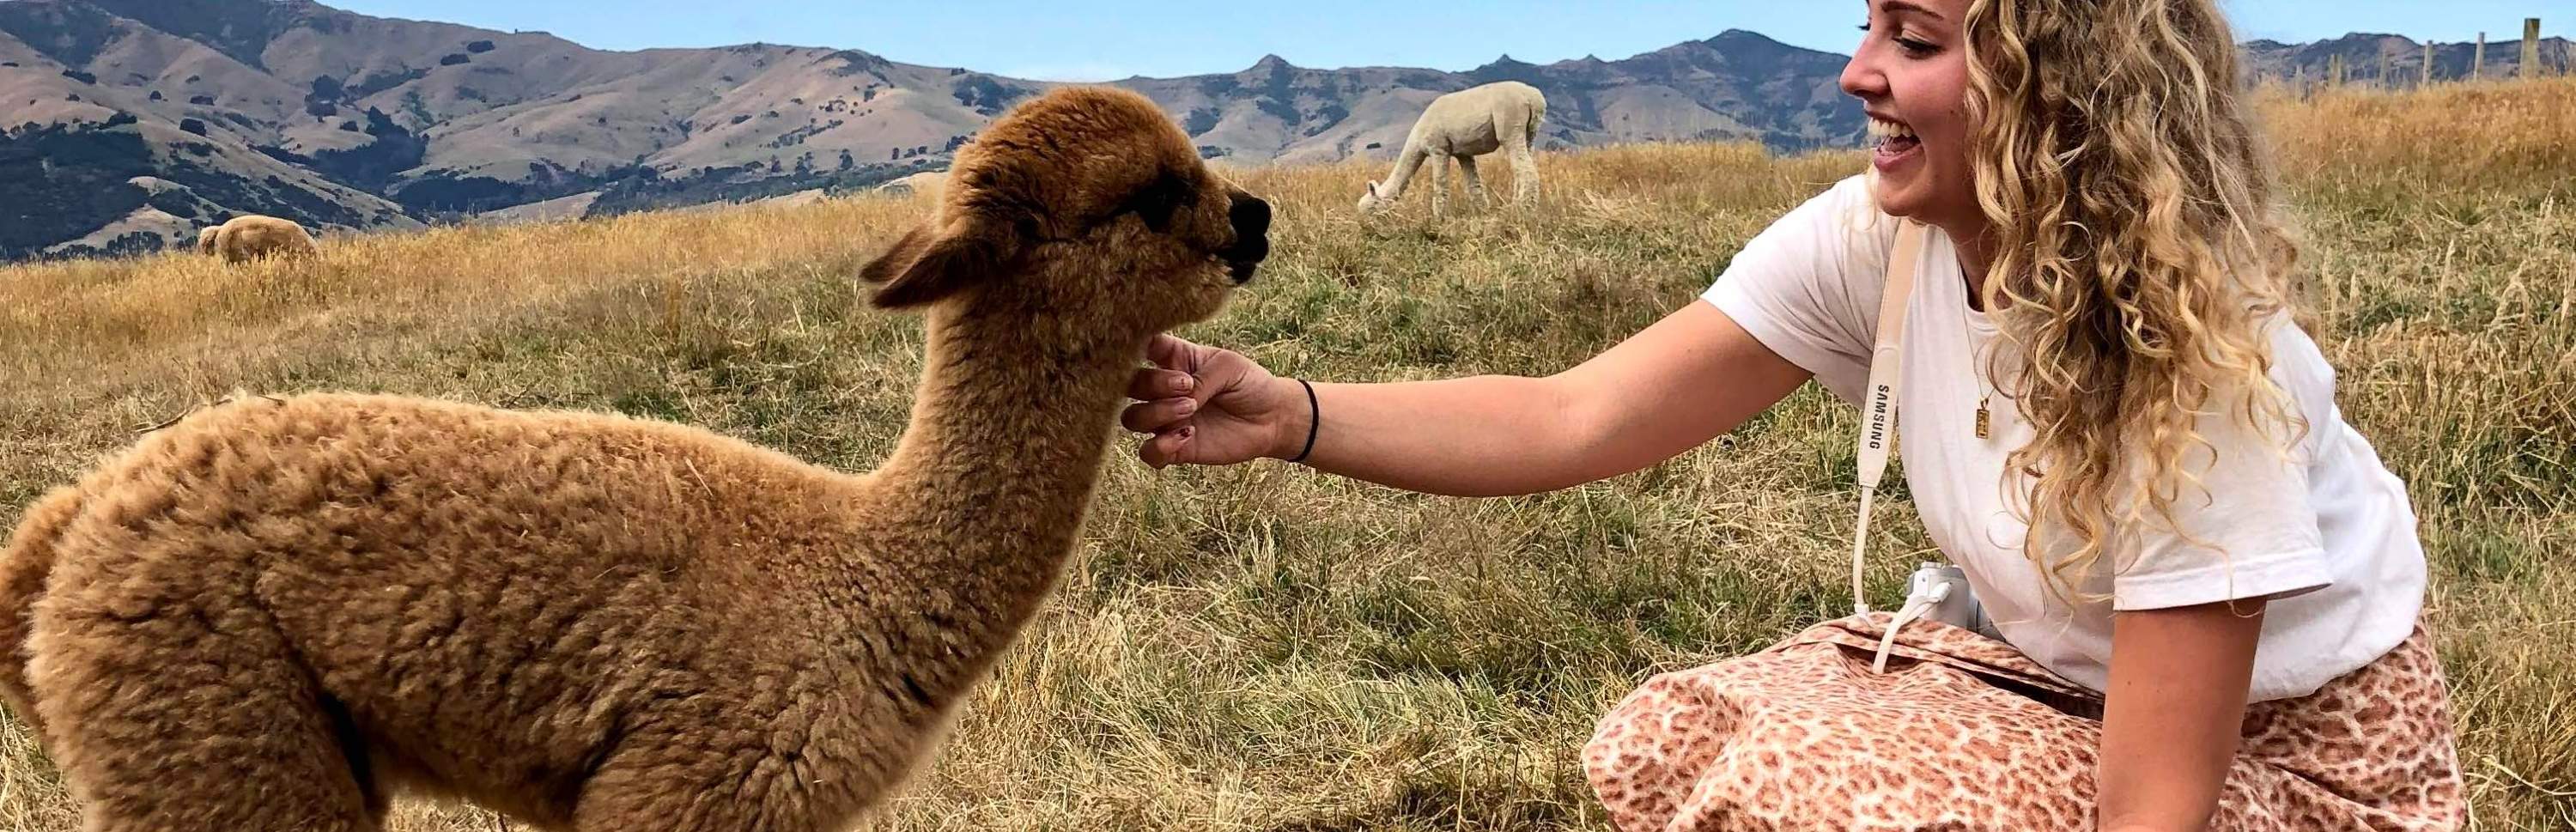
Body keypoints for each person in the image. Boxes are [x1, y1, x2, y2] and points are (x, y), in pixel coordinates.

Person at [1121, 1, 2464, 829]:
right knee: (1669, 739)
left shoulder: (2191, 366)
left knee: (1821, 794)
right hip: (2061, 682)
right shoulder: (1876, 243)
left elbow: (2152, 811)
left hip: (2301, 769)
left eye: (1915, 40)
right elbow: (1573, 415)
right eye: (1868, 25)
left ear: (2059, 96)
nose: (1856, 73)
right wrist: (1288, 411)